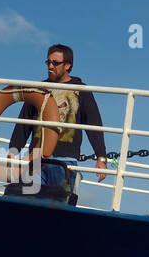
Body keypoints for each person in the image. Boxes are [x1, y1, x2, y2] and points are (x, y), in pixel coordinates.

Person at [8, 45, 108, 192]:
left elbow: (94, 124)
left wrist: (101, 158)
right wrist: (13, 151)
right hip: (35, 159)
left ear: (67, 65)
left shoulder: (82, 90)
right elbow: (24, 123)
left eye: (55, 63)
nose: (50, 66)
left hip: (64, 159)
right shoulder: (38, 89)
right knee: (26, 202)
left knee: (59, 204)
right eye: (48, 62)